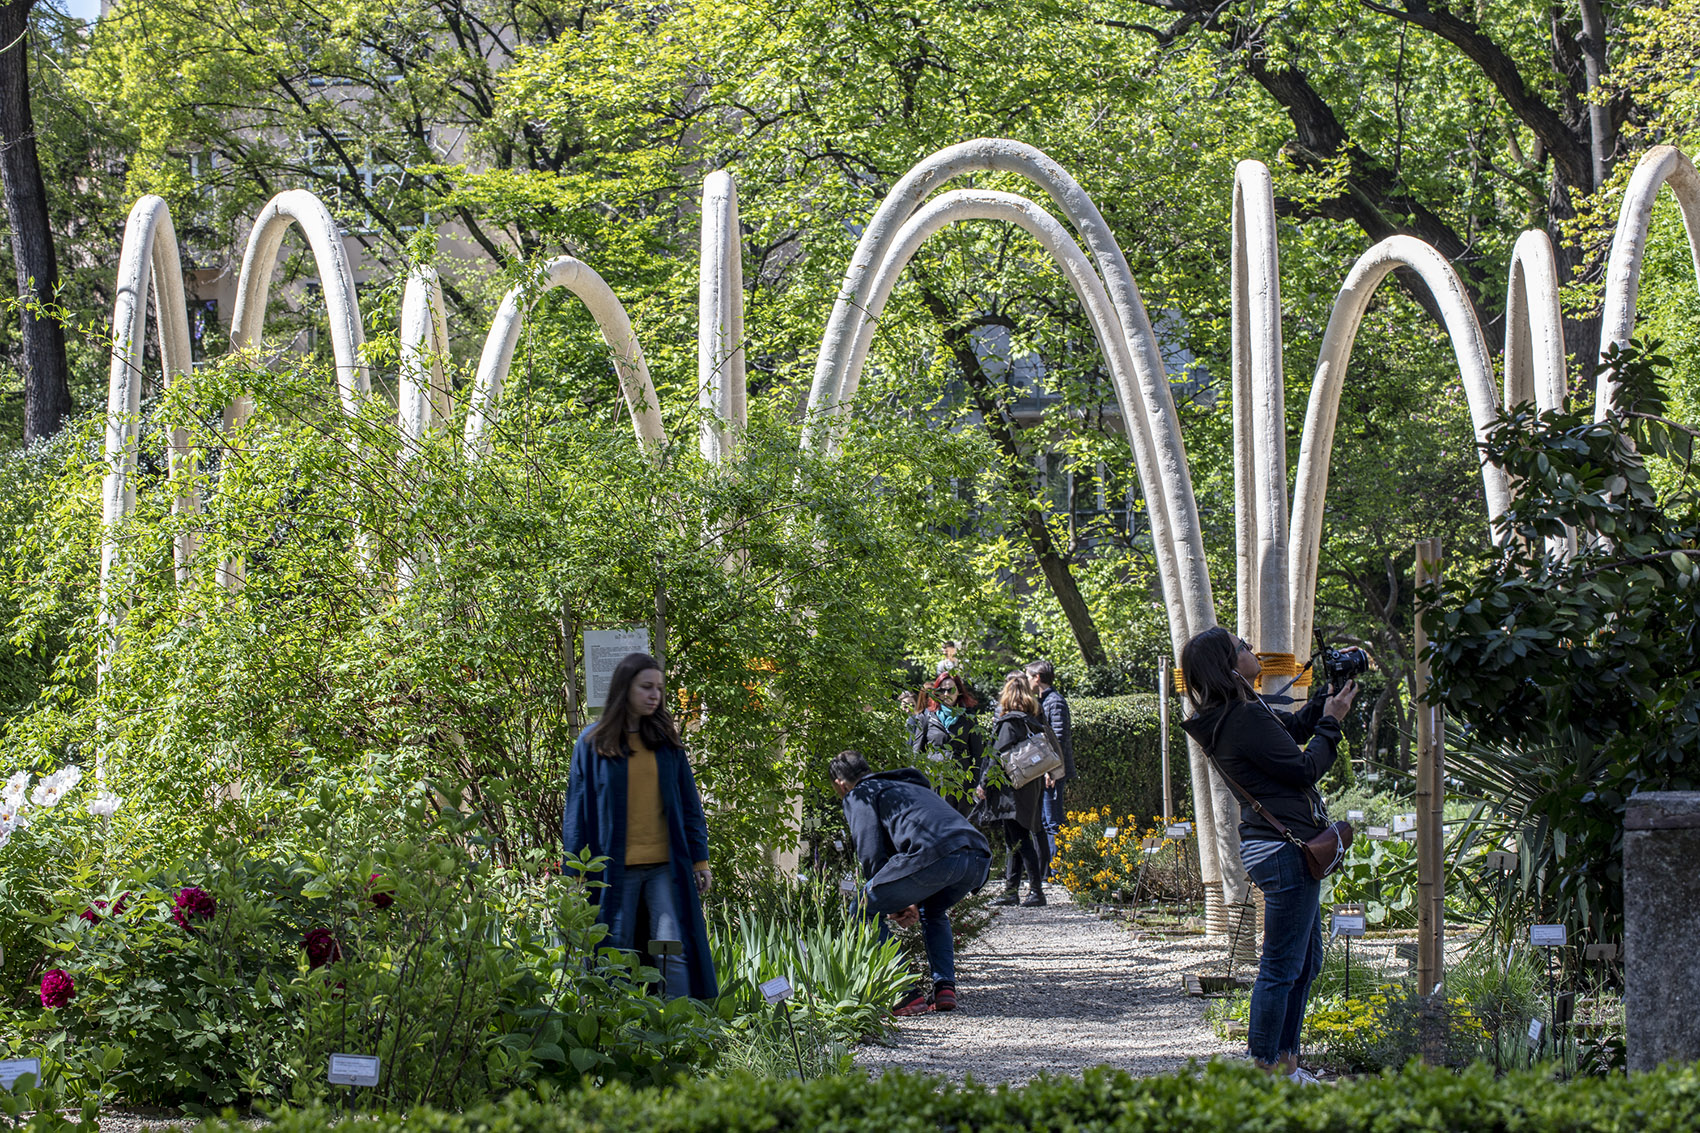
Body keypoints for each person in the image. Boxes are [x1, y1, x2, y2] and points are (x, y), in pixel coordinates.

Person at [1178, 626, 1358, 1083]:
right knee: (1281, 966)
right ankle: (1266, 1069)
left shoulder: (1234, 713)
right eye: (1242, 646)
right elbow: (1303, 767)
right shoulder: (1240, 719)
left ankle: (1285, 1064)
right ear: (1228, 664)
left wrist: (1322, 701)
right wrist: (1333, 721)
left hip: (1276, 847)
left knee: (1306, 961)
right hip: (1284, 849)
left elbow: (1292, 731)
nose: (1252, 649)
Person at [562, 652, 718, 1000]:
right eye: (646, 687)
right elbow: (576, 814)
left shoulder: (666, 743)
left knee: (671, 951)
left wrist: (700, 860)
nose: (655, 695)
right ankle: (619, 1032)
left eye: (659, 688)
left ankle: (679, 1031)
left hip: (664, 868)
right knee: (614, 954)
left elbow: (690, 806)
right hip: (613, 872)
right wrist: (573, 875)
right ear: (624, 689)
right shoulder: (592, 745)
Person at [831, 749, 992, 1015]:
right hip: (976, 856)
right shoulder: (905, 786)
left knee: (860, 910)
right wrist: (907, 897)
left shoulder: (860, 794)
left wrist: (890, 899)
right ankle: (944, 989)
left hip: (936, 856)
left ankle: (907, 994)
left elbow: (870, 852)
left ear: (839, 783)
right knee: (933, 910)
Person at [977, 672, 1052, 907]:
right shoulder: (1033, 719)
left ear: (1007, 696)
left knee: (1019, 839)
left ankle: (1036, 891)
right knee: (1015, 839)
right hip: (1031, 785)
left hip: (1012, 789)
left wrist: (983, 784)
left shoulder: (1008, 722)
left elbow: (996, 757)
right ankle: (1012, 890)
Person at [909, 671, 984, 817]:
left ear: (959, 691)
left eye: (950, 689)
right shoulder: (926, 717)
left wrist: (977, 783)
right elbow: (916, 753)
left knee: (959, 826)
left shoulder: (969, 718)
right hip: (934, 781)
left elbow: (978, 754)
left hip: (961, 783)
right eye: (941, 690)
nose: (946, 694)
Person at [1024, 659, 1073, 875]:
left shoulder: (1055, 702)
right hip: (1046, 770)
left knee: (1053, 820)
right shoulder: (1044, 701)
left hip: (1053, 772)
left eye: (1028, 676)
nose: (1026, 680)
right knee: (1044, 820)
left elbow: (1058, 739)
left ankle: (1057, 871)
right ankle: (1047, 871)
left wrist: (1050, 770)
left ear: (1037, 677)